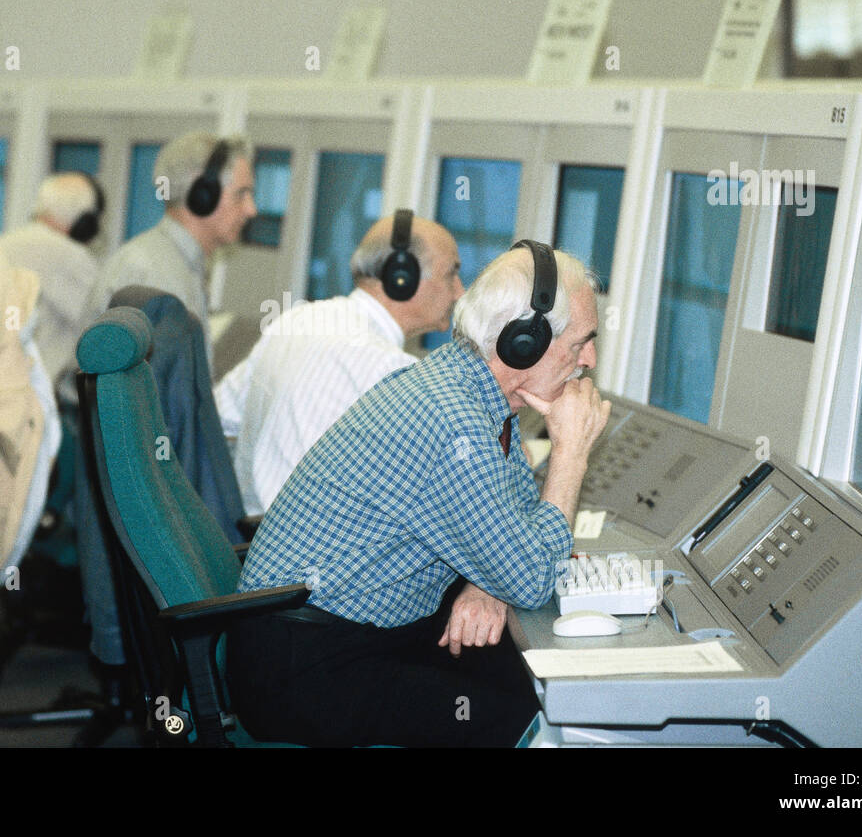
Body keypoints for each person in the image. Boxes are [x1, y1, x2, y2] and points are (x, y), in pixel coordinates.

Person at [226, 240, 610, 747]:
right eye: (581, 342)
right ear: (525, 343)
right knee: (521, 715)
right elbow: (533, 577)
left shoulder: (468, 383)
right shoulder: (454, 420)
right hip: (305, 667)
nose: (590, 360)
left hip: (344, 632)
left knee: (513, 675)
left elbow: (513, 522)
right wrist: (571, 454)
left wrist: (486, 583)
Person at [214, 209, 464, 516]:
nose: (459, 291)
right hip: (310, 538)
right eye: (451, 274)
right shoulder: (391, 370)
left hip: (244, 531)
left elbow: (221, 416)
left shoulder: (296, 319)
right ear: (402, 278)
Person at [82, 131, 256, 369]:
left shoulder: (181, 266)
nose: (251, 209)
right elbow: (151, 385)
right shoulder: (152, 271)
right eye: (241, 194)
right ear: (203, 194)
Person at [2, 172, 104, 387]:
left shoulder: (4, 243)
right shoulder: (72, 256)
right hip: (38, 389)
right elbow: (98, 327)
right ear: (84, 222)